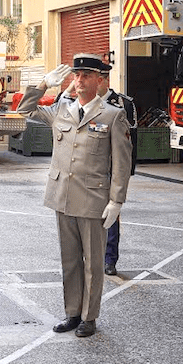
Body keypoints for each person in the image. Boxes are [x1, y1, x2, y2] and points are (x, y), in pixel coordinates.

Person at [17, 54, 133, 338]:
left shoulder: (112, 115)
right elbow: (24, 109)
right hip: (63, 196)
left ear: (99, 80)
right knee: (69, 260)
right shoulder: (62, 110)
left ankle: (88, 317)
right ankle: (72, 312)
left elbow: (122, 162)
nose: (79, 80)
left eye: (86, 76)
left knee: (93, 263)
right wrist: (43, 84)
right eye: (76, 75)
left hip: (93, 199)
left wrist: (116, 200)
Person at [57, 67, 138, 275]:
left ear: (102, 80)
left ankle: (109, 259)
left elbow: (130, 143)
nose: (83, 82)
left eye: (91, 77)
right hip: (85, 171)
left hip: (108, 172)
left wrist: (125, 176)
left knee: (110, 217)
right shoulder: (77, 103)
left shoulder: (122, 104)